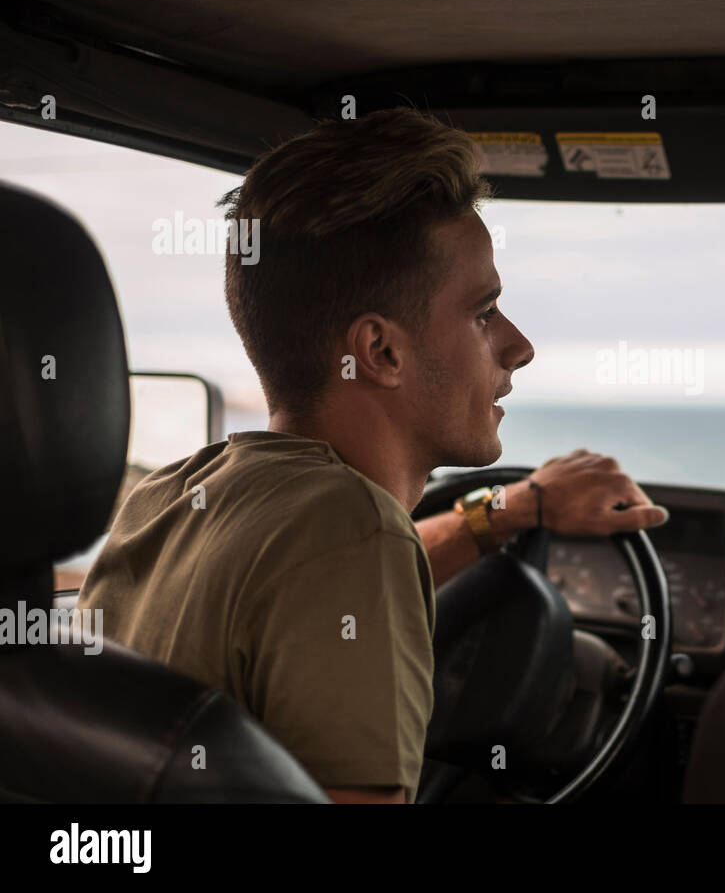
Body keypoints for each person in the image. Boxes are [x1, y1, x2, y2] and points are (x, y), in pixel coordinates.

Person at [77, 107, 669, 804]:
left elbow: (312, 576)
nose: (518, 346)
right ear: (381, 352)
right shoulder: (353, 531)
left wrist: (513, 510)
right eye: (484, 314)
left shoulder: (175, 495)